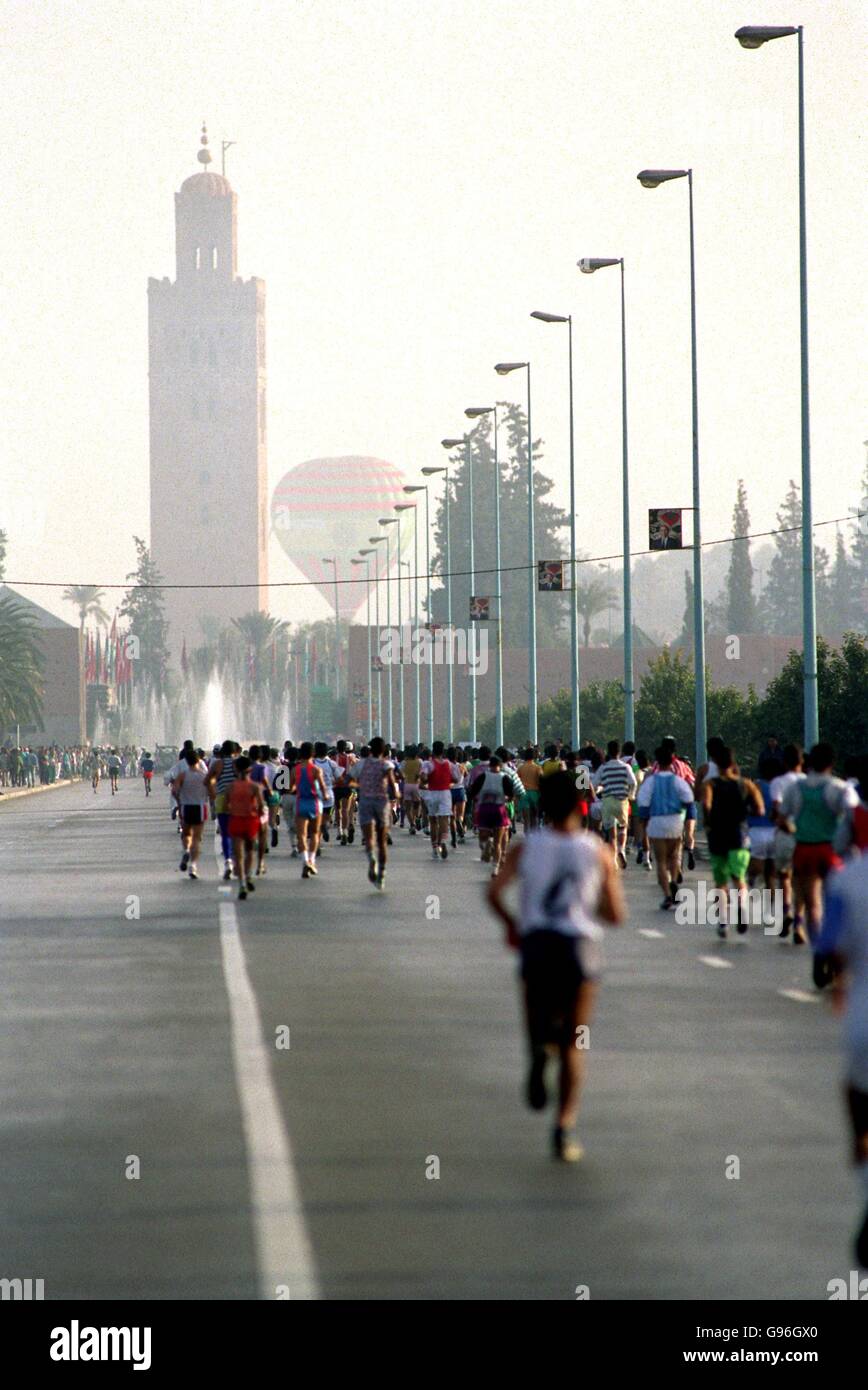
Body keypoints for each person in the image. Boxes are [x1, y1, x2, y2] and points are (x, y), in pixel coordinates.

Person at [487, 771, 624, 1162]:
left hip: (537, 946)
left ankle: (535, 1055)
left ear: (543, 803)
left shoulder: (525, 848)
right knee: (575, 1044)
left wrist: (514, 923)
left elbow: (494, 892)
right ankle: (564, 1127)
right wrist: (588, 903)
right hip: (579, 951)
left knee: (536, 1024)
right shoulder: (597, 851)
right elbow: (615, 914)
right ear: (581, 803)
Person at [817, 853, 868, 1267]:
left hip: (863, 1019)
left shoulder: (847, 877)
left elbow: (830, 946)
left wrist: (840, 981)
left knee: (858, 1091)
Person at [779, 742, 857, 946]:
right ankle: (835, 940)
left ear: (809, 762)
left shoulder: (797, 788)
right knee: (834, 898)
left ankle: (815, 946)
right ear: (832, 762)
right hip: (830, 849)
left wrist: (794, 830)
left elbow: (781, 818)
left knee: (810, 900)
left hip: (804, 849)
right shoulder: (838, 788)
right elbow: (853, 816)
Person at [700, 748, 764, 938]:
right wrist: (745, 814)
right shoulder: (746, 785)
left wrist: (708, 821)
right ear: (733, 764)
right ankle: (742, 908)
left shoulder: (710, 784)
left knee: (721, 882)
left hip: (718, 834)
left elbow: (706, 804)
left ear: (717, 764)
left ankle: (723, 922)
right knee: (739, 878)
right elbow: (760, 809)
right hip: (739, 835)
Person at [636, 746, 695, 910]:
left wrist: (644, 821)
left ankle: (668, 894)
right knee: (674, 855)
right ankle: (674, 881)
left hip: (657, 822)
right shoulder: (677, 781)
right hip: (675, 821)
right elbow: (689, 799)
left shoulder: (651, 781)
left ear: (657, 761)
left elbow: (643, 802)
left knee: (661, 861)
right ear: (672, 761)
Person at [349, 736, 399, 888]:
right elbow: (392, 784)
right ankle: (382, 873)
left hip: (365, 801)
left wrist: (360, 786)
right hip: (382, 802)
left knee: (369, 837)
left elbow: (347, 780)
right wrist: (396, 796)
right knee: (382, 840)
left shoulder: (361, 764)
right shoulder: (386, 764)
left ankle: (372, 858)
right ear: (384, 750)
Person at [592, 740, 637, 869]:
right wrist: (631, 795)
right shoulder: (625, 767)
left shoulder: (603, 767)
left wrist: (597, 793)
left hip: (607, 801)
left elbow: (594, 784)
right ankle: (621, 850)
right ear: (619, 752)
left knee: (612, 834)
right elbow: (633, 782)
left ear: (609, 751)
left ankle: (613, 861)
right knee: (623, 828)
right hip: (622, 801)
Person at [226, 756, 266, 901]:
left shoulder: (231, 786)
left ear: (236, 769)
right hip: (251, 821)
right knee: (250, 851)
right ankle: (249, 875)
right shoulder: (255, 787)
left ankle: (242, 883)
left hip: (236, 820)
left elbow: (226, 806)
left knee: (238, 855)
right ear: (250, 769)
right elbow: (261, 806)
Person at [173, 747, 210, 879]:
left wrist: (179, 802)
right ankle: (193, 866)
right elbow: (211, 792)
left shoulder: (182, 775)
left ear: (186, 761)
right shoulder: (204, 775)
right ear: (199, 760)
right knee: (197, 838)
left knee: (186, 833)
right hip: (200, 807)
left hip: (186, 807)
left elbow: (174, 791)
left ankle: (186, 850)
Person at [292, 743, 326, 879]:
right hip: (315, 803)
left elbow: (291, 786)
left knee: (301, 835)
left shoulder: (295, 769)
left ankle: (304, 861)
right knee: (315, 833)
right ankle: (312, 860)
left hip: (301, 803)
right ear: (313, 754)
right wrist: (326, 795)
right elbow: (323, 788)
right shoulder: (316, 770)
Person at [421, 741, 457, 862]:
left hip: (432, 793)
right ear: (443, 751)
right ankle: (442, 841)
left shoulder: (428, 764)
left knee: (433, 821)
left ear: (433, 750)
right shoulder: (449, 764)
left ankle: (435, 848)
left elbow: (424, 776)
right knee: (444, 819)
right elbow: (457, 778)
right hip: (445, 793)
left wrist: (425, 781)